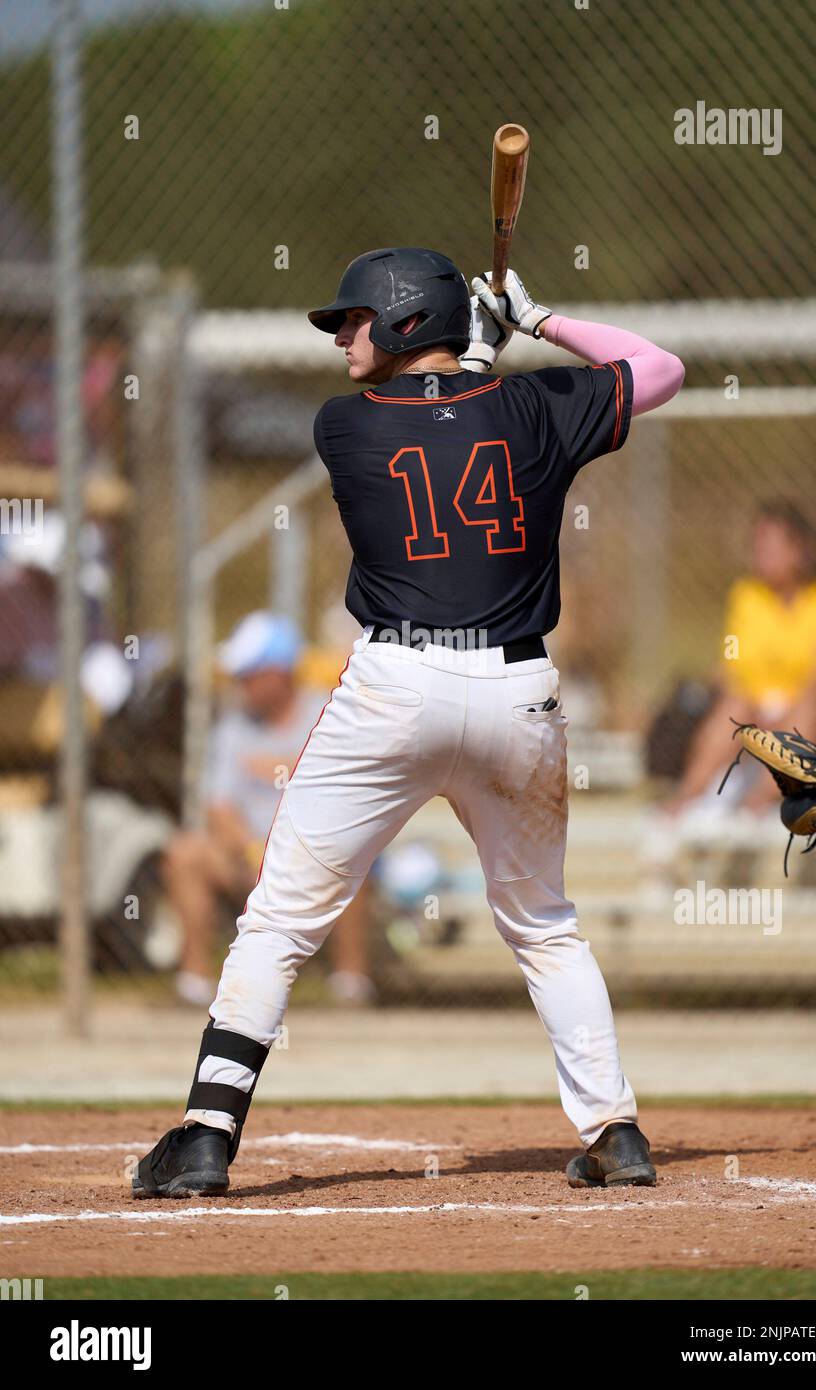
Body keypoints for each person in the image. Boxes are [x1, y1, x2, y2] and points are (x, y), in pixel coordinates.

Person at [133, 247, 684, 1198]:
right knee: (545, 926)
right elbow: (661, 368)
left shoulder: (344, 427)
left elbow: (440, 420)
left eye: (355, 320)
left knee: (279, 916)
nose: (342, 336)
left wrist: (482, 354)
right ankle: (616, 1132)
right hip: (517, 692)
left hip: (395, 685)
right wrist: (537, 319)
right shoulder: (532, 408)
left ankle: (206, 1139)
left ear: (403, 325)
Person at [165, 611, 374, 1006]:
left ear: (279, 673)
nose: (241, 685)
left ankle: (351, 984)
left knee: (351, 855)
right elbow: (219, 806)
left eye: (250, 674)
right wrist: (251, 848)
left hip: (315, 854)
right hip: (248, 858)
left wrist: (293, 848)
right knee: (186, 853)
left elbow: (348, 799)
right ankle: (195, 983)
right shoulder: (233, 726)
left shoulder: (332, 715)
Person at [663, 499, 816, 822]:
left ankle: (758, 804)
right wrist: (749, 708)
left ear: (800, 550)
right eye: (757, 545)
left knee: (809, 710)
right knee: (734, 707)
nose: (759, 553)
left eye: (770, 546)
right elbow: (733, 669)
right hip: (761, 715)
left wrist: (780, 718)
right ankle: (684, 800)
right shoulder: (747, 596)